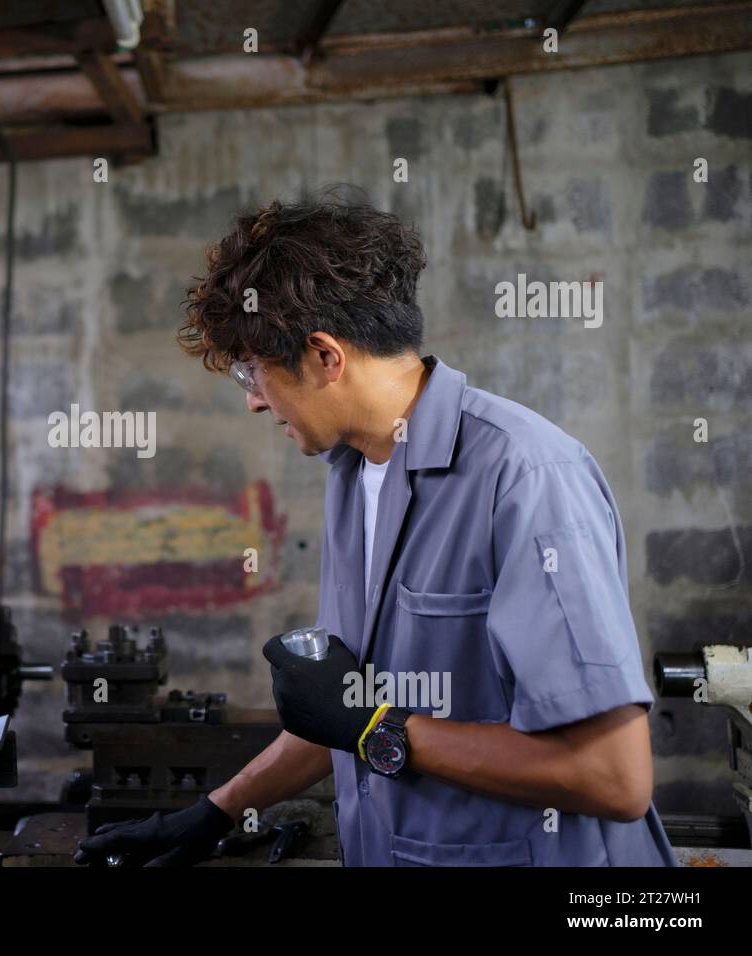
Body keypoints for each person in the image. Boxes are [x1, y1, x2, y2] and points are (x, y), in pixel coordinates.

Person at [76, 190, 676, 867]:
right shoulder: (353, 473)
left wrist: (376, 727)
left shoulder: (527, 476)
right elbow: (350, 714)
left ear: (326, 357)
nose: (250, 400)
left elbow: (614, 777)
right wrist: (217, 810)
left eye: (253, 371)